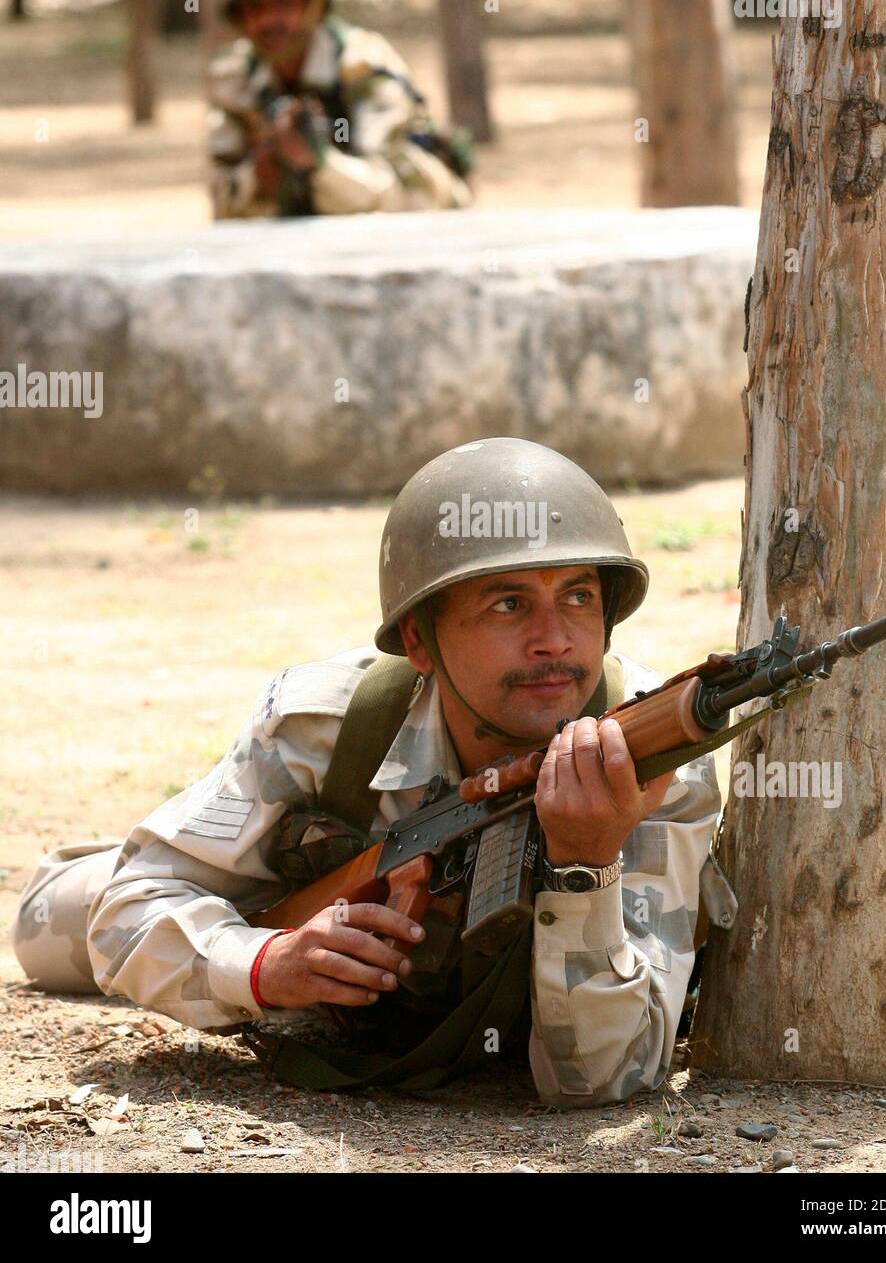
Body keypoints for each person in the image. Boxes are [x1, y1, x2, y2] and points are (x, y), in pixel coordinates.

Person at [12, 439, 736, 1107]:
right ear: (418, 639)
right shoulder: (327, 728)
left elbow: (602, 1076)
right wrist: (265, 962)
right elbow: (127, 909)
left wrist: (586, 866)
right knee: (46, 929)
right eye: (508, 603)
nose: (554, 639)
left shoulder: (652, 773)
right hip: (268, 886)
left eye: (578, 597)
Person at [207, 0, 473, 220]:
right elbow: (221, 203)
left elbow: (388, 191)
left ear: (314, 5)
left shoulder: (363, 66)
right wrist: (261, 173)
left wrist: (319, 163)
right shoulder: (235, 78)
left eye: (284, 2)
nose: (269, 19)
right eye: (254, 7)